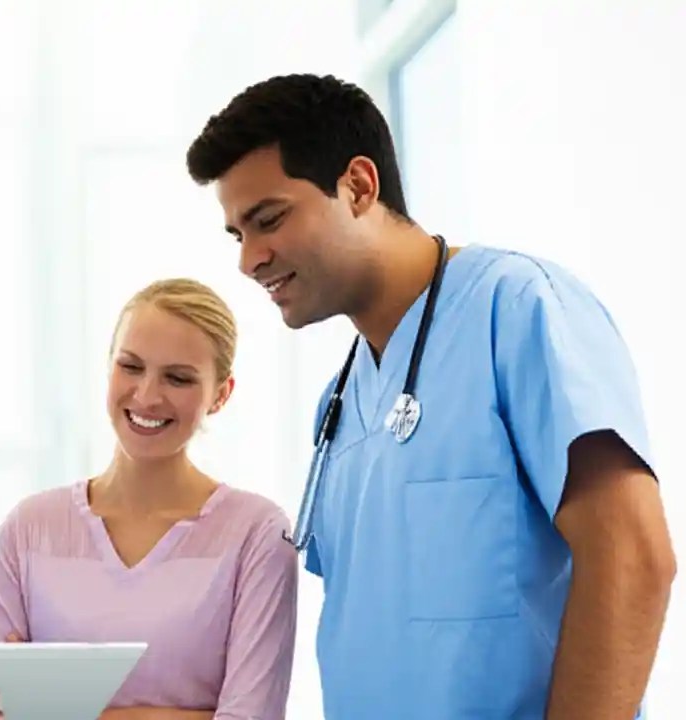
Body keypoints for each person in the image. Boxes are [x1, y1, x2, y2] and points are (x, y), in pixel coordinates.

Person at [185, 72, 677, 719]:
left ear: (358, 186)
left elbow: (633, 556)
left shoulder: (516, 310)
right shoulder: (339, 405)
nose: (249, 260)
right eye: (237, 235)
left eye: (268, 220)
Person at [0, 278, 298, 719]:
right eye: (130, 367)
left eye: (178, 378)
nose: (146, 396)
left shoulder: (256, 535)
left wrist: (53, 710)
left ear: (221, 395)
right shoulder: (29, 529)